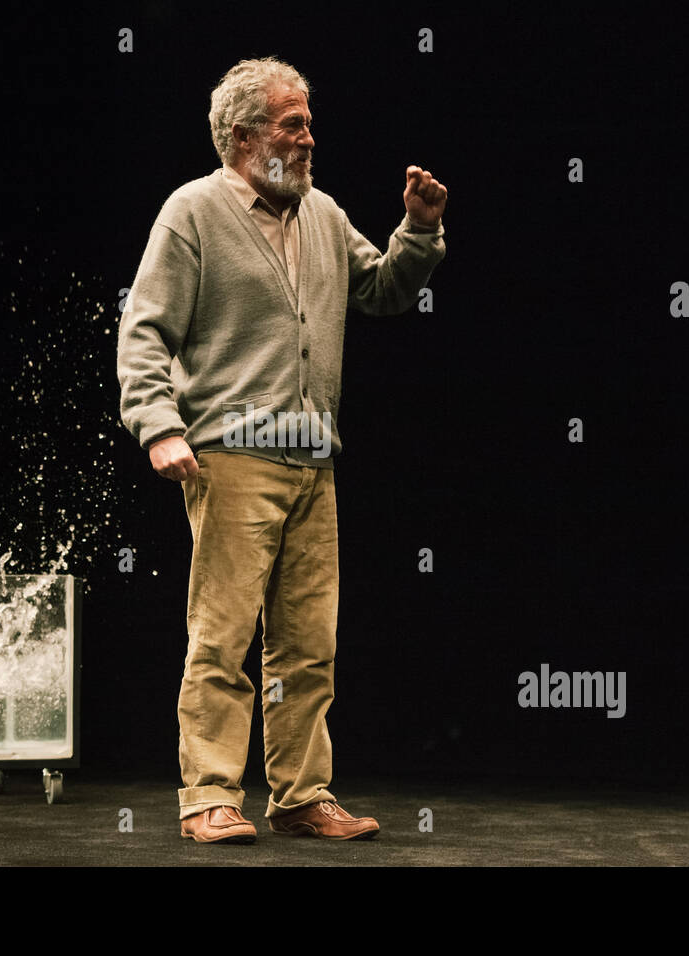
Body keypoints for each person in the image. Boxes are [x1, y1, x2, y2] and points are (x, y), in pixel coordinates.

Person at [116, 56, 448, 843]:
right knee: (223, 636)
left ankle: (301, 794)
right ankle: (209, 797)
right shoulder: (193, 211)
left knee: (307, 646)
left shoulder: (323, 214)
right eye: (291, 123)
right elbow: (145, 329)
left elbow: (384, 291)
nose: (308, 138)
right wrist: (158, 424)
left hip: (313, 461)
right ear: (244, 136)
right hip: (231, 454)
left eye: (307, 122)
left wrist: (421, 230)